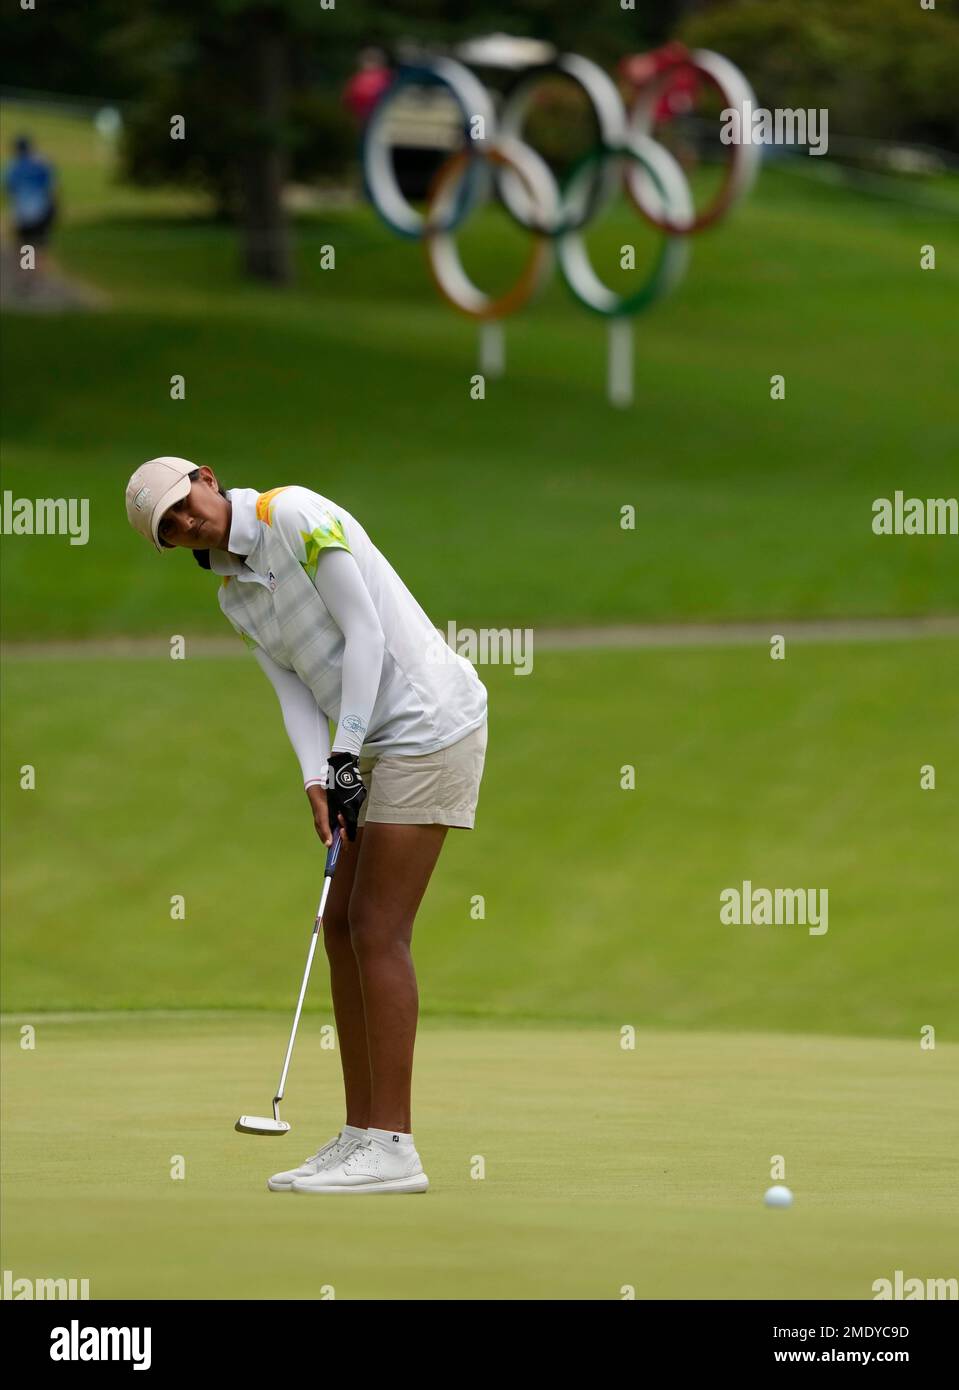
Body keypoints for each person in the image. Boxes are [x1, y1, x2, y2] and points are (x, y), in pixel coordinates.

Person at [125, 458, 488, 1194]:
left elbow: (365, 634)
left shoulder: (294, 514)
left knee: (378, 927)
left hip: (428, 723)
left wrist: (346, 750)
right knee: (339, 927)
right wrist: (317, 775)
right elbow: (291, 688)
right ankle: (361, 1133)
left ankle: (393, 1146)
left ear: (205, 477)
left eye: (180, 504)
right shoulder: (234, 596)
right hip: (373, 743)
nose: (184, 522)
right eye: (167, 529)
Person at [4, 135, 57, 272]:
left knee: (24, 246)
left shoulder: (14, 168)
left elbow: (11, 190)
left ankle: (25, 275)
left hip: (22, 214)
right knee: (39, 245)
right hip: (41, 212)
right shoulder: (41, 165)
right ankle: (36, 276)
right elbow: (51, 188)